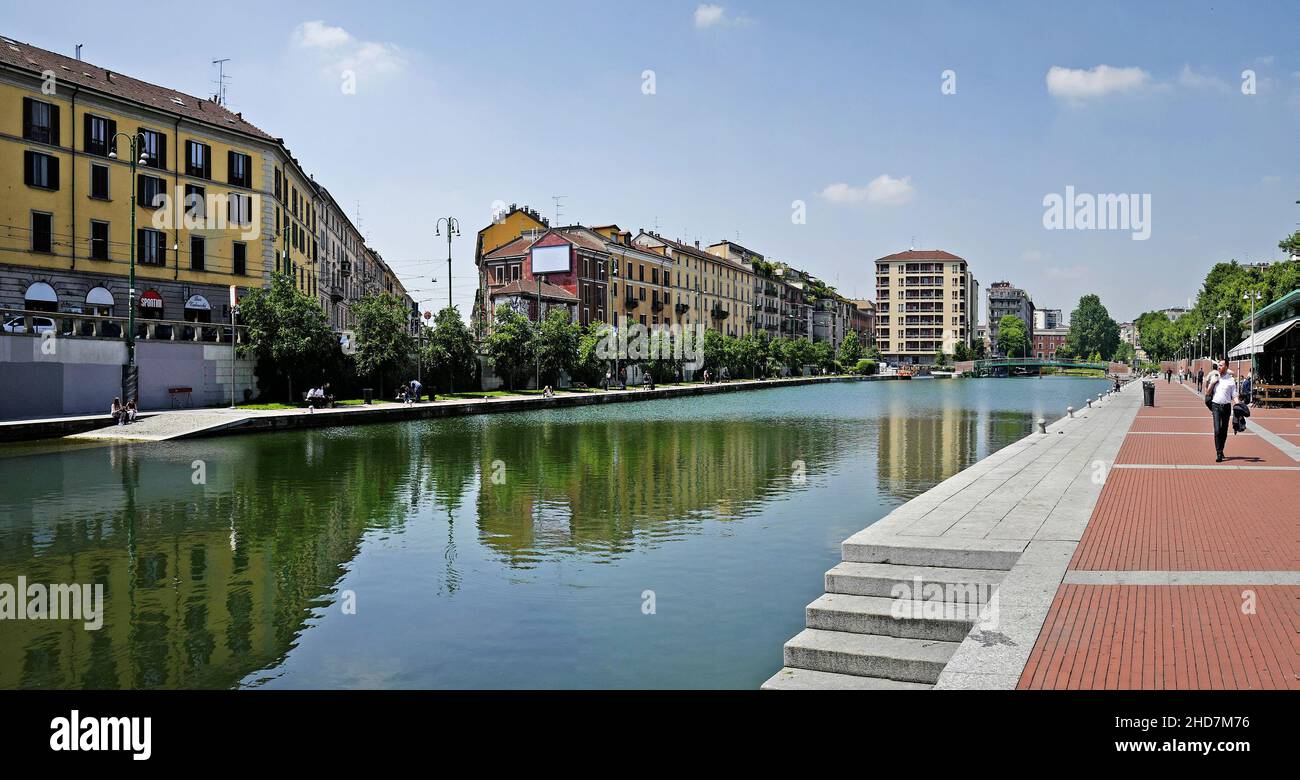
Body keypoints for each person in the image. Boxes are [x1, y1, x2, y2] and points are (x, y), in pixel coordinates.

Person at [1205, 359, 1236, 463]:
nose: (1219, 367)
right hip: (1216, 406)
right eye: (1218, 365)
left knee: (1224, 431)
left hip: (1226, 407)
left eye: (1221, 365)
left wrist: (1238, 404)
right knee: (1217, 430)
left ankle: (1221, 449)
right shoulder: (1215, 377)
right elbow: (1208, 393)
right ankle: (1218, 453)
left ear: (1226, 367)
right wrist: (1212, 383)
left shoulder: (1231, 380)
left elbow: (1234, 395)